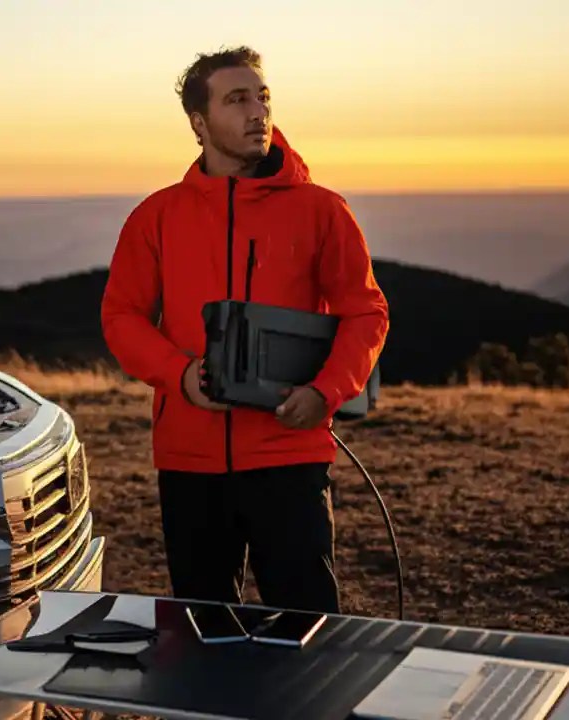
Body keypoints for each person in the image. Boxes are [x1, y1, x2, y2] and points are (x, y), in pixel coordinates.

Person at [99, 46, 389, 613]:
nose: (258, 111)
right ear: (199, 123)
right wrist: (181, 378)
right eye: (237, 100)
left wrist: (327, 393)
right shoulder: (156, 216)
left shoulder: (323, 210)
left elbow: (366, 312)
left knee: (307, 627)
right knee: (204, 628)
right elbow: (121, 317)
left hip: (290, 452)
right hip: (188, 461)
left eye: (263, 97)